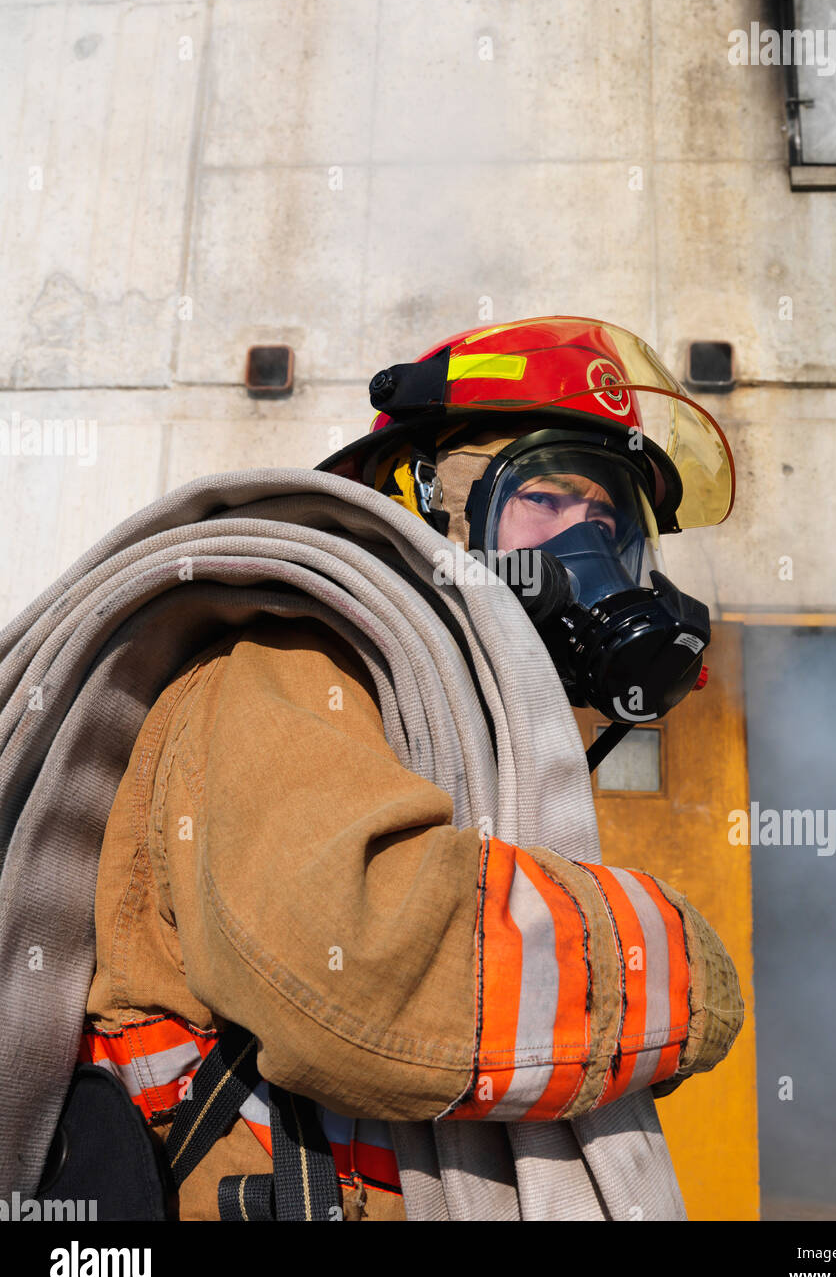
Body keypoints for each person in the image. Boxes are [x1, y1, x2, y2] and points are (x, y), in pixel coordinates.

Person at [78, 315, 744, 1221]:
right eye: (544, 500)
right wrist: (681, 972)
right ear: (424, 503)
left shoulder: (460, 726)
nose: (583, 543)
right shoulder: (295, 661)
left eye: (607, 517)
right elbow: (360, 969)